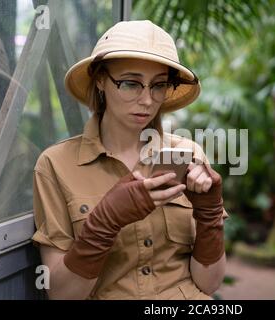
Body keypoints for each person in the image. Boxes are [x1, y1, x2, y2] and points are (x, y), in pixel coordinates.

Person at [31, 20, 229, 300]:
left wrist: (209, 215)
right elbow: (62, 294)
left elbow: (209, 284)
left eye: (159, 85)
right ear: (100, 80)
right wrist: (104, 222)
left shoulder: (188, 155)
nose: (147, 100)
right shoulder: (55, 165)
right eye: (130, 83)